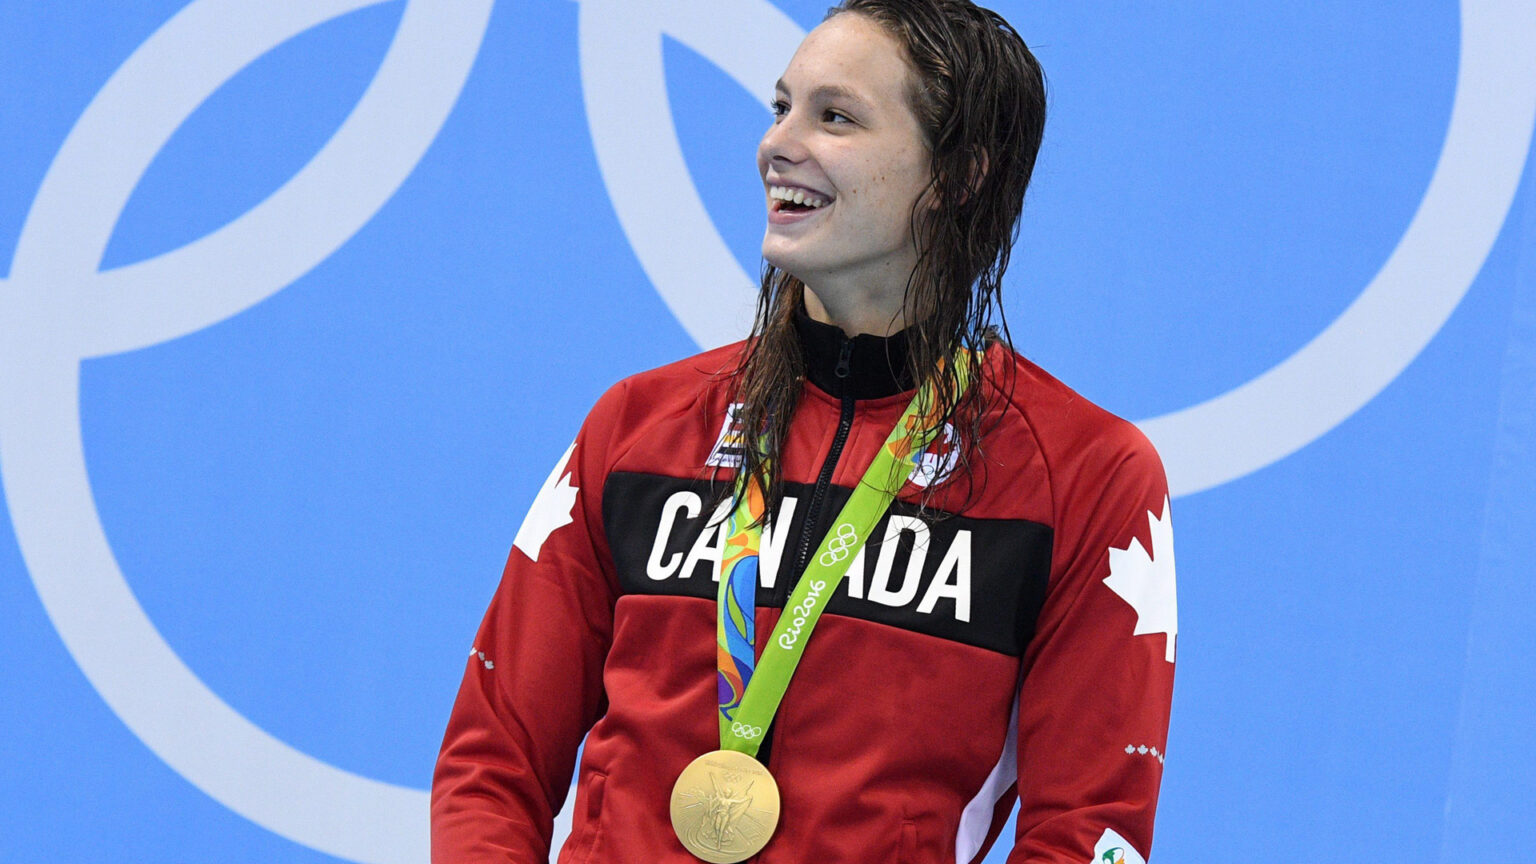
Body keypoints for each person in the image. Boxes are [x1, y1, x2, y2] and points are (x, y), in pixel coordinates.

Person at [431, 1, 1176, 862]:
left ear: (959, 175)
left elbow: (1091, 832)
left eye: (836, 117)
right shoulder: (639, 427)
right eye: (781, 106)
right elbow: (493, 761)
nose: (778, 143)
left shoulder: (1083, 474)